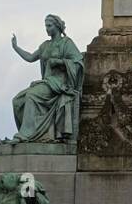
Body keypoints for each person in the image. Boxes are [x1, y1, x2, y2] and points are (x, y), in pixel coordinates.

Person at [7, 14, 84, 143]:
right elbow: (30, 57)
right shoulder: (45, 46)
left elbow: (78, 63)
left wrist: (60, 62)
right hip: (47, 83)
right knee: (17, 101)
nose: (47, 29)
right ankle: (30, 134)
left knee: (31, 95)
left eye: (49, 26)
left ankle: (26, 135)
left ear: (57, 26)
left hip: (59, 84)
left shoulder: (66, 43)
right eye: (45, 26)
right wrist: (16, 48)